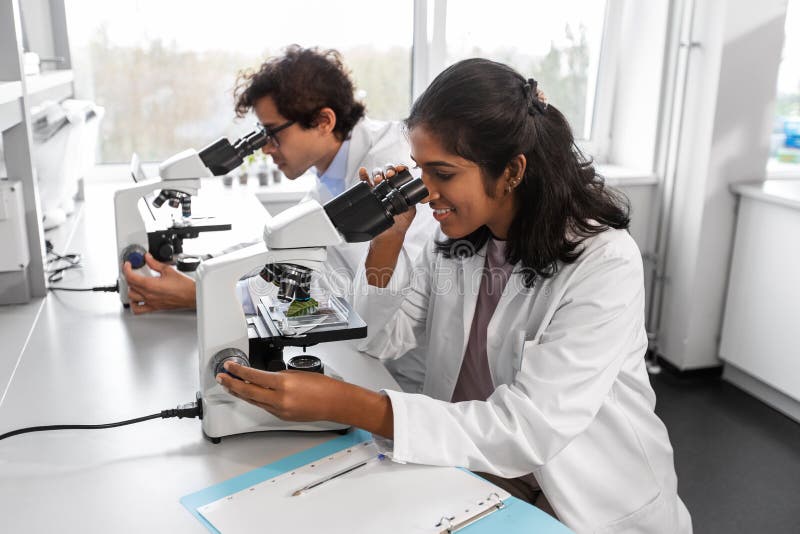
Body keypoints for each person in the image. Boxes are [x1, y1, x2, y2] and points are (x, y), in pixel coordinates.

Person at [216, 57, 692, 533]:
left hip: (580, 499)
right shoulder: (457, 245)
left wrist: (348, 404)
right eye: (421, 170)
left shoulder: (604, 261)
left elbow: (527, 429)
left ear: (511, 171)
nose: (426, 191)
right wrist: (388, 238)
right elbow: (380, 339)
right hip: (473, 466)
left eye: (442, 173)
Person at [123, 46, 434, 378]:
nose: (266, 148)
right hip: (362, 356)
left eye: (272, 133)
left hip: (398, 375)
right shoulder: (331, 174)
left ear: (323, 121)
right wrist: (206, 272)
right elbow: (280, 246)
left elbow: (349, 295)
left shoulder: (388, 173)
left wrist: (206, 296)